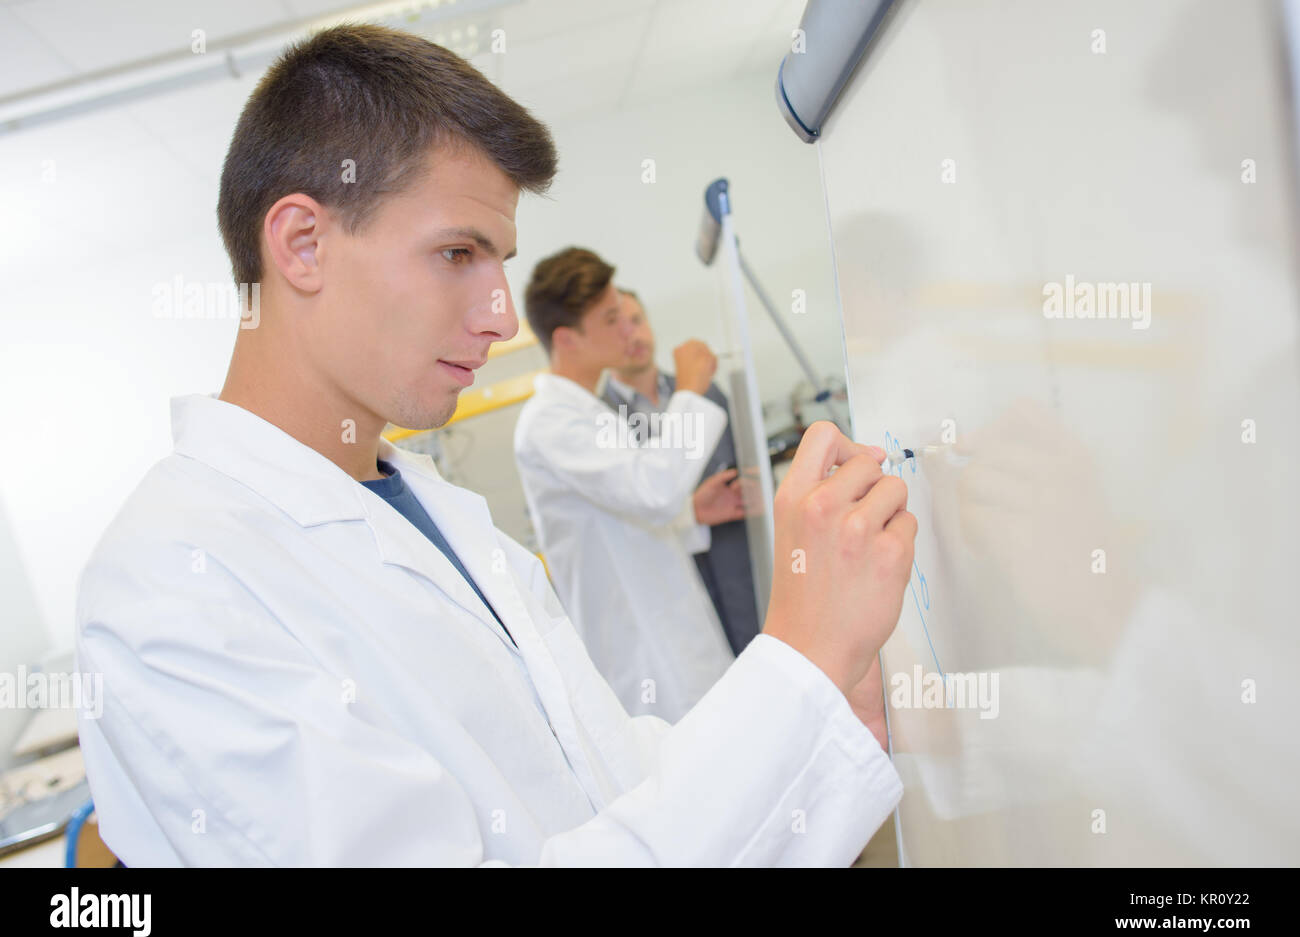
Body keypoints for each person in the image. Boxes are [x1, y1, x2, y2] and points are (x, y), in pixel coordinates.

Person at [74, 24, 917, 867]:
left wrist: (825, 714)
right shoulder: (172, 585)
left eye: (499, 262)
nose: (503, 317)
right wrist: (796, 665)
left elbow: (608, 778)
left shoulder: (436, 509)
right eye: (456, 253)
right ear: (302, 243)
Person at [513, 249, 740, 722]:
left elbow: (624, 515)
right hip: (647, 660)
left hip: (671, 636)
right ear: (567, 339)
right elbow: (652, 491)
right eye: (612, 318)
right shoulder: (550, 421)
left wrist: (691, 513)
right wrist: (692, 391)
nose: (628, 331)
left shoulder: (585, 410)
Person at [602, 287, 761, 657]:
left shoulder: (708, 395)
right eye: (616, 327)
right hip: (671, 590)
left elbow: (745, 471)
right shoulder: (599, 424)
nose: (633, 335)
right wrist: (691, 509)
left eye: (637, 321)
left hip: (741, 569)